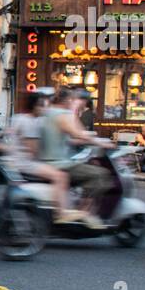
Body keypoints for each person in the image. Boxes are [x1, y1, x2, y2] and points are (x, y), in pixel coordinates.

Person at [40, 86, 113, 227]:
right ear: (67, 99)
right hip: (59, 163)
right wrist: (101, 142)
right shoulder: (60, 115)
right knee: (101, 174)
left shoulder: (49, 112)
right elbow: (77, 133)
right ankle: (83, 213)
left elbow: (71, 136)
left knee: (91, 169)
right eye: (73, 99)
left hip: (51, 160)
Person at [5, 91, 78, 223]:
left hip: (15, 162)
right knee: (61, 176)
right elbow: (33, 149)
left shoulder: (18, 117)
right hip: (26, 164)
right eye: (41, 106)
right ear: (34, 106)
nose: (44, 109)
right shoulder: (30, 122)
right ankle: (61, 213)